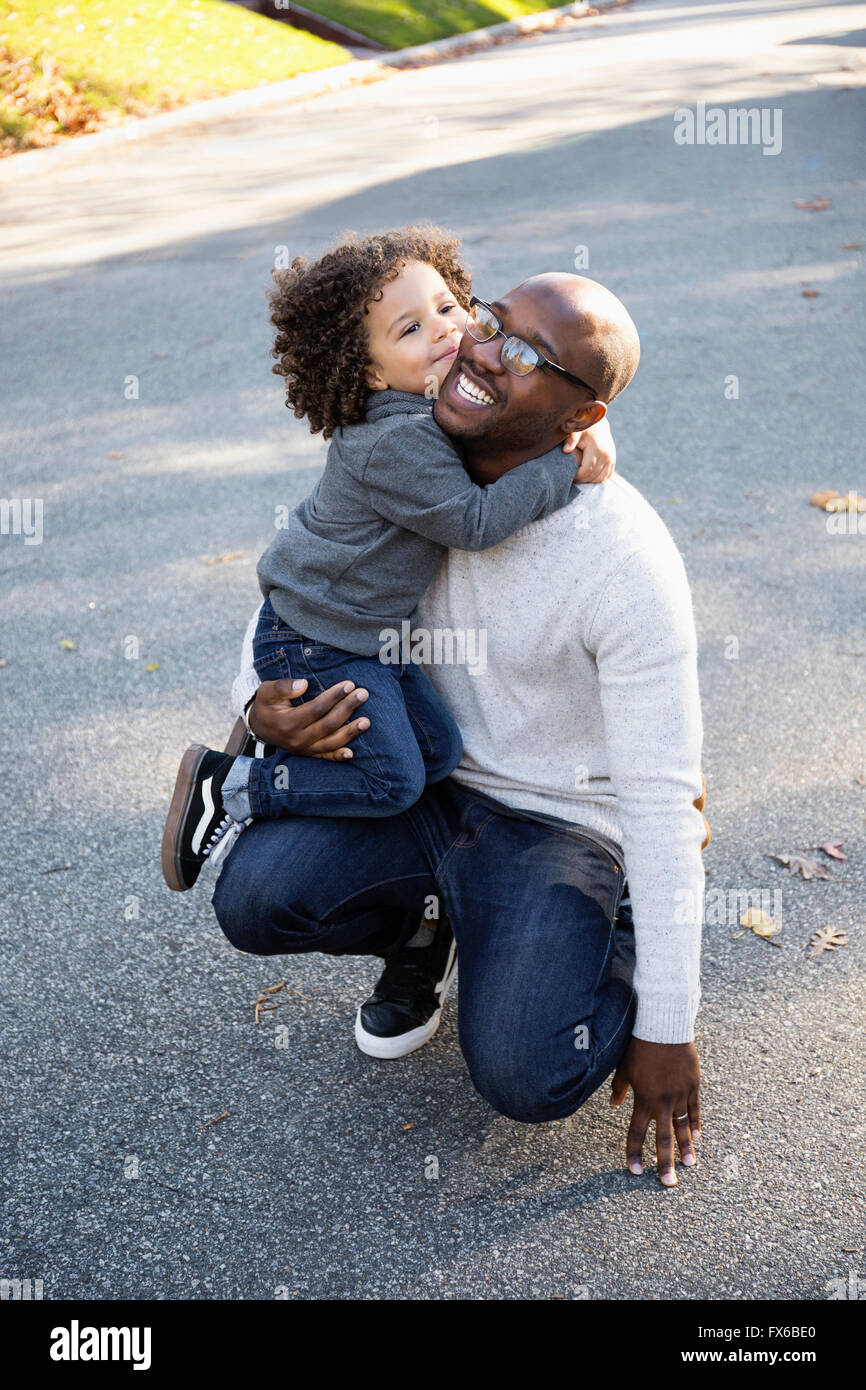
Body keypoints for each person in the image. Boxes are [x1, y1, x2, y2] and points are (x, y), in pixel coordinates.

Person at [213, 270, 709, 1188]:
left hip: (556, 825)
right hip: (429, 787)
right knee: (254, 898)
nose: (478, 349)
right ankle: (423, 930)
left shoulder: (623, 559)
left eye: (525, 356)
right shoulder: (414, 458)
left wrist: (665, 1025)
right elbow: (312, 581)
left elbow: (665, 799)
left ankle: (617, 929)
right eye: (489, 321)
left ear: (582, 413)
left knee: (531, 1075)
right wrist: (257, 699)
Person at [161, 227, 616, 892]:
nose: (443, 330)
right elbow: (474, 520)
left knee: (437, 752)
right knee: (393, 778)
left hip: (364, 637)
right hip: (318, 641)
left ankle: (424, 907)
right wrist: (564, 463)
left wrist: (577, 418)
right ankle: (233, 785)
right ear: (373, 374)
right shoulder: (396, 441)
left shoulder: (426, 415)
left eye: (449, 307)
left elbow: (533, 392)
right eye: (410, 329)